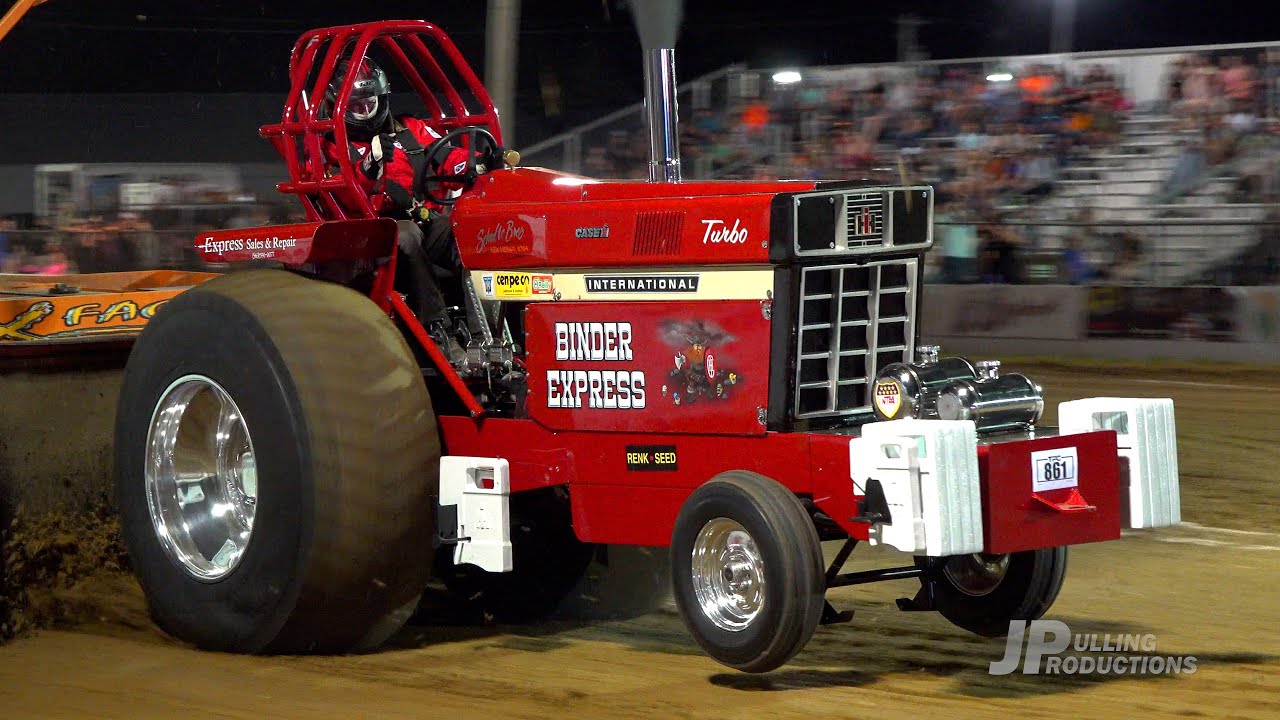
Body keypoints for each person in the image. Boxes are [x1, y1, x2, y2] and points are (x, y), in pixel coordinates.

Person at [325, 57, 474, 363]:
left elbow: (445, 154)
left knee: (463, 233)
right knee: (404, 236)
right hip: (367, 232)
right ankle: (437, 329)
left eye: (371, 103)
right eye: (357, 106)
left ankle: (483, 329)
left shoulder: (409, 128)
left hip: (419, 218)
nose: (366, 112)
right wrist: (368, 167)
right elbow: (344, 195)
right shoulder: (333, 146)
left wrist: (472, 162)